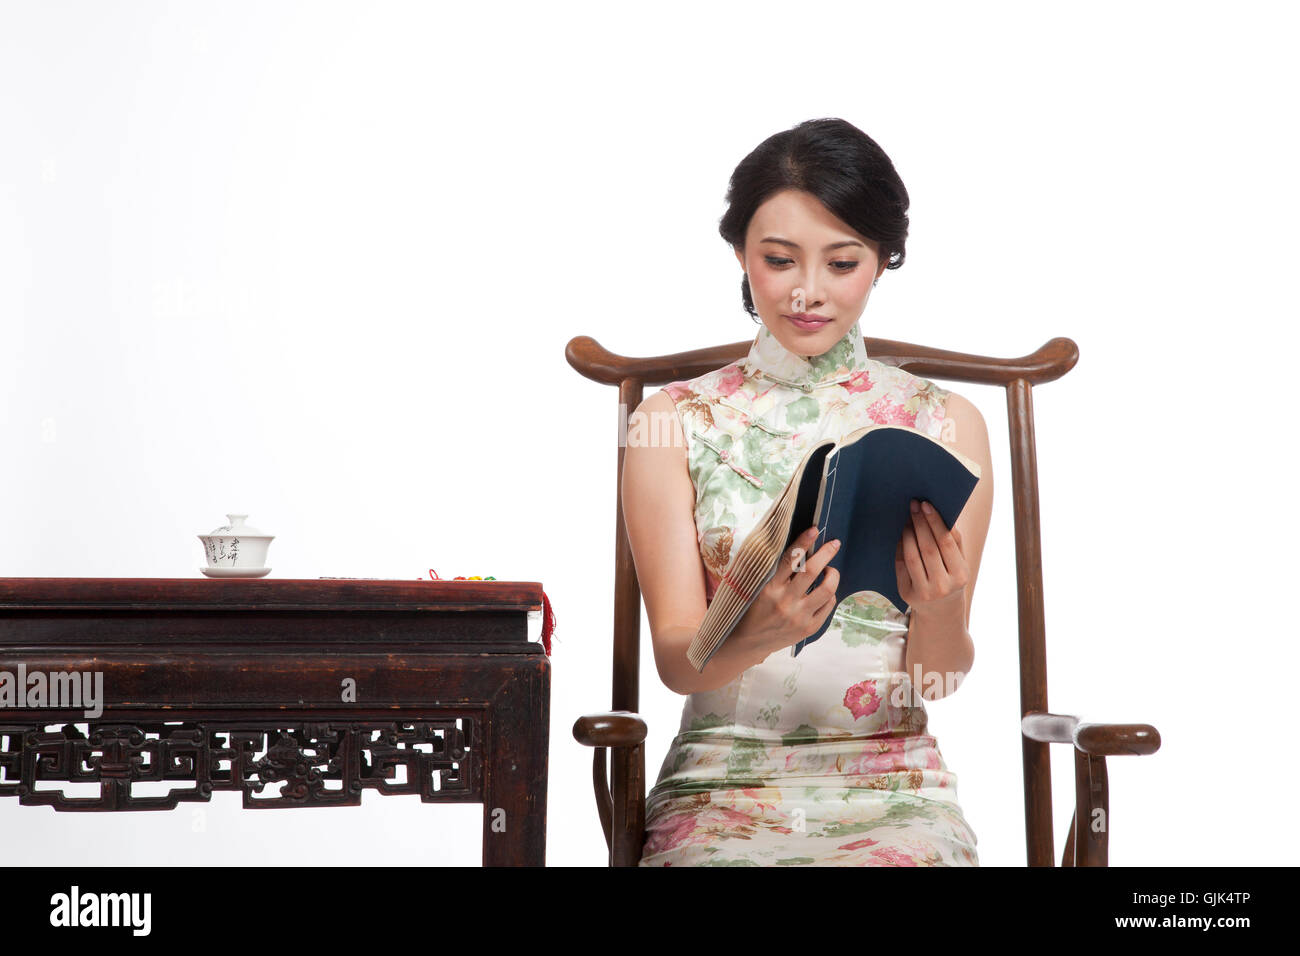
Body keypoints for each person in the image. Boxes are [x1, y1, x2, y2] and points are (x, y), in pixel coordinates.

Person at [621, 118, 994, 866]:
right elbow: (672, 662)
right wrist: (758, 627)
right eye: (779, 259)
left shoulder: (944, 423)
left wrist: (943, 607)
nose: (808, 292)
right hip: (723, 781)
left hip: (893, 784)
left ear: (884, 260)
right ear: (740, 254)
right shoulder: (675, 422)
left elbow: (939, 678)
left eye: (843, 262)